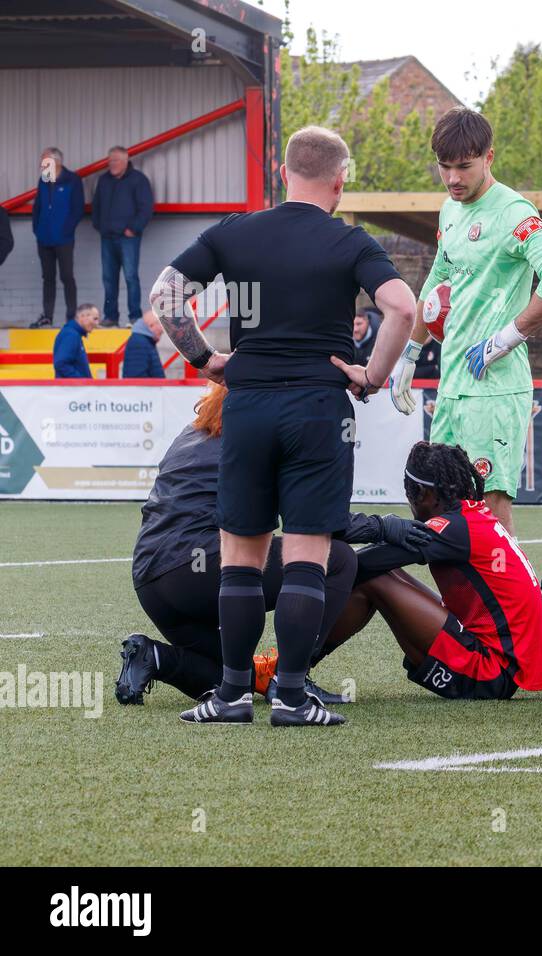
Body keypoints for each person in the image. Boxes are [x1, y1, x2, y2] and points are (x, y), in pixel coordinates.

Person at [149, 124, 415, 727]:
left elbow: (166, 295)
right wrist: (371, 376)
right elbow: (402, 306)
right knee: (306, 555)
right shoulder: (349, 243)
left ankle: (232, 694)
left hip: (247, 404)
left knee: (241, 556)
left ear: (283, 173)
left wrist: (209, 361)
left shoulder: (234, 232)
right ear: (339, 181)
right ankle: (292, 697)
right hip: (319, 410)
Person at [115, 383, 406, 706]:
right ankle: (291, 677)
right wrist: (383, 526)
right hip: (196, 569)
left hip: (151, 582)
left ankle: (152, 656)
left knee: (233, 678)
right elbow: (317, 520)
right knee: (337, 559)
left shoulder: (193, 431)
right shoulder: (264, 434)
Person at [389, 107, 542, 538]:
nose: (453, 178)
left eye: (464, 166)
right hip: (452, 382)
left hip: (495, 387)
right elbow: (437, 280)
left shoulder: (514, 211)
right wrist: (412, 352)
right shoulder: (449, 211)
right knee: (436, 502)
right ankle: (455, 606)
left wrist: (507, 338)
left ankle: (509, 608)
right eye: (444, 167)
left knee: (489, 512)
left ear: (489, 157)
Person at [329, 441, 542, 700]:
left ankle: (294, 670)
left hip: (491, 673)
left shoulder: (452, 528)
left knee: (373, 577)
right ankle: (293, 670)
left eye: (410, 493)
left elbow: (364, 564)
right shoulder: (470, 516)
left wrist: (303, 577)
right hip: (498, 664)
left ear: (423, 494)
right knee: (382, 574)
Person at [92, 146, 154, 329]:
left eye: (116, 160)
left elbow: (146, 208)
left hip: (128, 238)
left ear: (126, 161)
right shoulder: (103, 180)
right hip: (107, 237)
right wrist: (99, 226)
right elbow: (96, 206)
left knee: (130, 276)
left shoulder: (138, 180)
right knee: (109, 278)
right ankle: (110, 317)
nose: (112, 164)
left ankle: (134, 316)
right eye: (110, 160)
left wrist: (133, 229)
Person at [30, 147, 84, 329]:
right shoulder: (44, 180)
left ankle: (71, 317)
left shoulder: (72, 180)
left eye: (45, 161)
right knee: (48, 278)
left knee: (67, 276)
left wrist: (66, 231)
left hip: (64, 239)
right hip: (44, 238)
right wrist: (36, 229)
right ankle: (48, 316)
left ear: (57, 162)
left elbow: (77, 210)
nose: (41, 164)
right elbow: (38, 206)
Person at [53, 303, 99, 378]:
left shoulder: (72, 333)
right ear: (82, 316)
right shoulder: (71, 335)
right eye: (95, 319)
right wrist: (82, 382)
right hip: (72, 389)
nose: (97, 323)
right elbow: (60, 363)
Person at [122, 310, 166, 379]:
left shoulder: (145, 341)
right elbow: (136, 378)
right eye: (161, 325)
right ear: (151, 326)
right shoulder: (139, 343)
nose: (163, 331)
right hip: (149, 389)